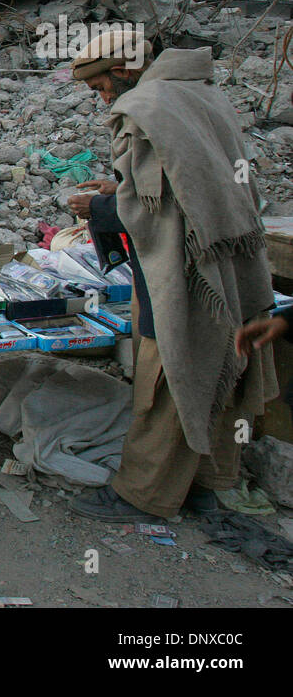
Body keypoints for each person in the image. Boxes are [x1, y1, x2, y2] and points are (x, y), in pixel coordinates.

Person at [65, 29, 279, 523]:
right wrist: (118, 187)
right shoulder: (201, 96)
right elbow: (190, 183)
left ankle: (145, 494)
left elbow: (160, 212)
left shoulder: (146, 110)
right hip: (230, 262)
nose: (103, 100)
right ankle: (206, 482)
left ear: (123, 70)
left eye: (100, 88)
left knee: (171, 373)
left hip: (185, 274)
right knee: (221, 362)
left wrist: (98, 206)